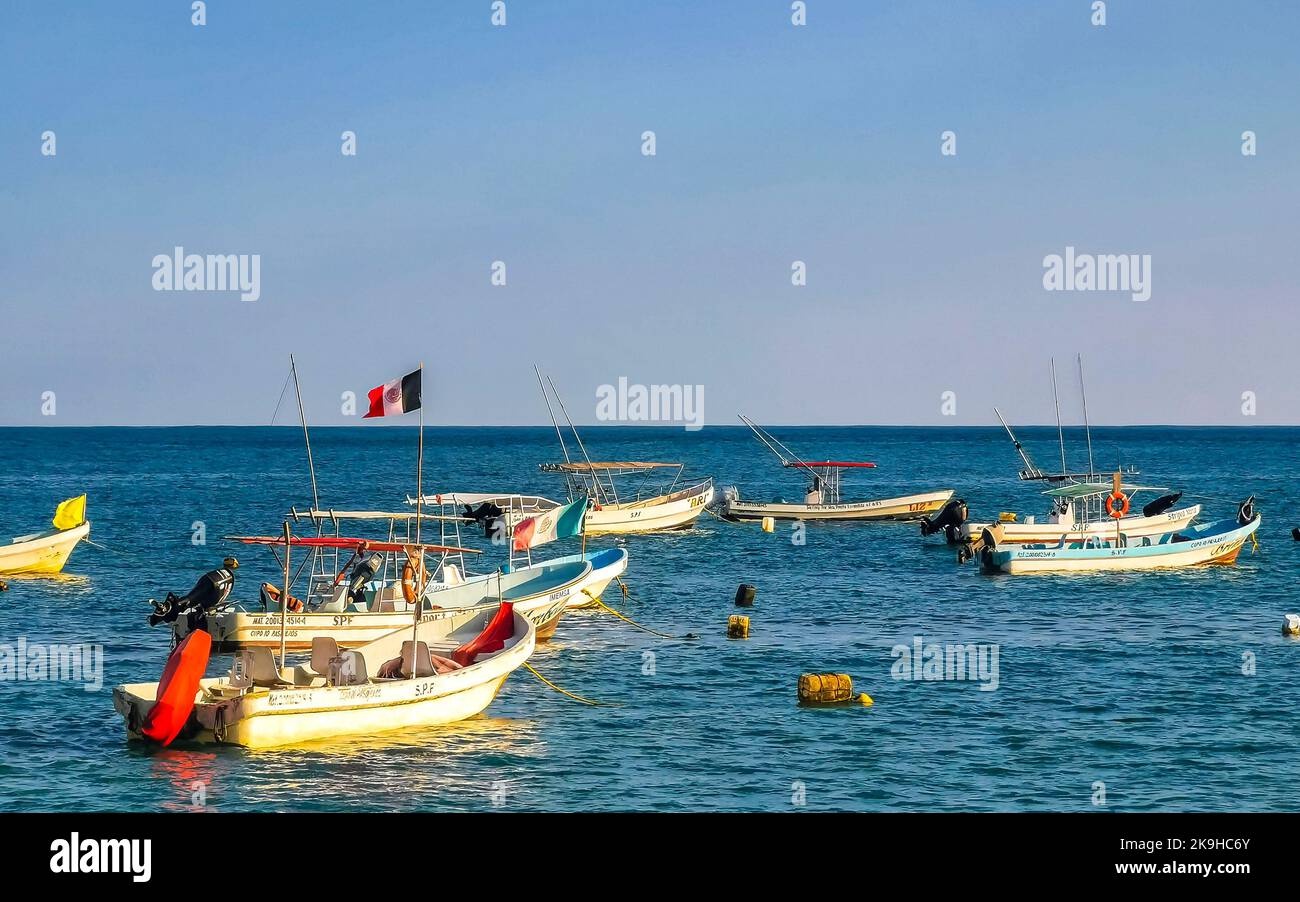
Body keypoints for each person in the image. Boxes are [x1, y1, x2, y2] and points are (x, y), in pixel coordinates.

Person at [149, 557, 239, 633]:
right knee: (192, 603)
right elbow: (220, 598)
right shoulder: (231, 578)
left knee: (190, 599)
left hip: (208, 579)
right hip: (215, 587)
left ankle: (165, 610)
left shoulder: (222, 572)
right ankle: (168, 610)